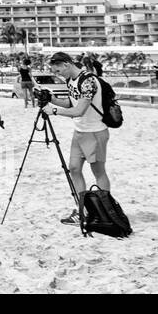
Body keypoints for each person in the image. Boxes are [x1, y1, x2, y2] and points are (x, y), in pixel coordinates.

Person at [40, 52, 113, 226]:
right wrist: (52, 99)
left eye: (58, 69)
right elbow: (71, 103)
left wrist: (54, 111)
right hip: (80, 131)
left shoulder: (88, 81)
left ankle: (105, 211)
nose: (57, 73)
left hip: (95, 132)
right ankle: (83, 210)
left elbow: (79, 110)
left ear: (66, 64)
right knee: (74, 169)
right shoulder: (70, 80)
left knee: (98, 172)